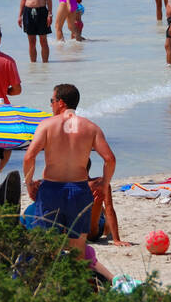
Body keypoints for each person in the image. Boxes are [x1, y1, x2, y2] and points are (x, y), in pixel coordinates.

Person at [22, 83, 117, 281]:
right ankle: (77, 289)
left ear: (61, 103)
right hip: (79, 191)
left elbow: (29, 157)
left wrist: (29, 183)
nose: (51, 105)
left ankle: (50, 288)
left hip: (51, 191)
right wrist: (104, 183)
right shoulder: (91, 127)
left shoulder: (47, 125)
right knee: (78, 250)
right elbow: (110, 159)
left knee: (47, 246)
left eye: (52, 101)